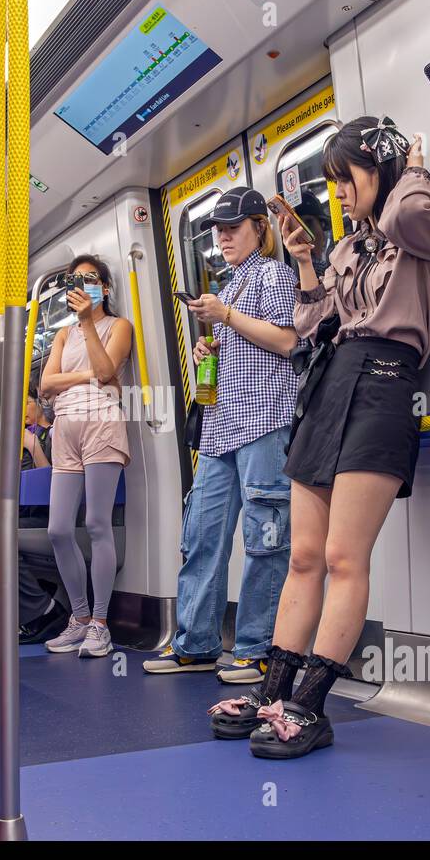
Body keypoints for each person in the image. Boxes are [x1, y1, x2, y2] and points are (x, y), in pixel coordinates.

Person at [209, 120, 430, 756]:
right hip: (330, 385)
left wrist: (415, 166)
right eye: (334, 181)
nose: (339, 193)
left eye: (348, 178)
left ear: (386, 170)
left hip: (383, 383)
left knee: (346, 558)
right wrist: (305, 262)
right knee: (303, 556)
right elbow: (315, 323)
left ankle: (310, 707)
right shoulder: (349, 250)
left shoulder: (418, 224)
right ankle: (272, 693)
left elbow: (411, 214)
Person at [143, 187, 299, 683]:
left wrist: (227, 318)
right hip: (220, 426)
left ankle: (257, 648)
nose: (224, 235)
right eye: (218, 228)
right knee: (202, 535)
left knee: (263, 538)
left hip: (263, 421)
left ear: (259, 227)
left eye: (234, 226)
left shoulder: (272, 274)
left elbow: (287, 340)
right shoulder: (229, 285)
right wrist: (210, 347)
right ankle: (196, 642)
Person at [39, 255, 132, 658]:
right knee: (58, 529)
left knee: (96, 524)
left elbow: (108, 368)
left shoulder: (118, 326)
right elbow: (46, 385)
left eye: (89, 279)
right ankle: (77, 618)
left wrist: (90, 325)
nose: (81, 285)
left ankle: (99, 623)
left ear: (104, 289)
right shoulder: (63, 335)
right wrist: (86, 377)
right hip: (65, 427)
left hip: (101, 423)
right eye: (75, 280)